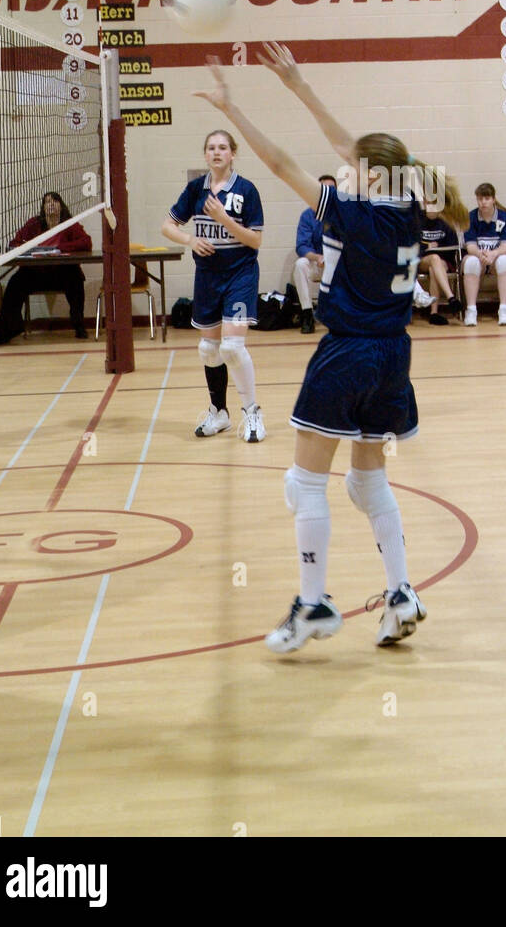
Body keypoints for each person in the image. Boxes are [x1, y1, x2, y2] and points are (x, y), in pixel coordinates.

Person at [196, 43, 468, 653]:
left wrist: (237, 113)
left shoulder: (354, 213)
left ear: (369, 173)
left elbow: (283, 159)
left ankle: (314, 604)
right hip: (395, 356)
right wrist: (296, 83)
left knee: (305, 484)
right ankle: (401, 593)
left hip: (348, 352)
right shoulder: (406, 208)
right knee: (367, 485)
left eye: (352, 165)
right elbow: (353, 148)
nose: (341, 165)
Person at [161, 130, 265, 443]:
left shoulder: (247, 190)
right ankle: (219, 412)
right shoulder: (195, 189)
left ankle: (252, 413)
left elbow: (255, 240)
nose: (217, 152)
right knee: (209, 349)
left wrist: (224, 218)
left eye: (223, 147)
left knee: (232, 347)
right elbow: (167, 226)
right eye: (211, 148)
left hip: (240, 275)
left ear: (233, 153)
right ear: (205, 154)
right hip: (207, 276)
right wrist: (190, 239)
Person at [0, 192, 91, 343]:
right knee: (15, 283)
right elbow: (15, 243)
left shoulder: (69, 223)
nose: (51, 204)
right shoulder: (34, 223)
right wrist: (31, 248)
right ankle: (8, 330)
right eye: (47, 202)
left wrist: (60, 247)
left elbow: (86, 242)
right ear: (43, 207)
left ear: (61, 205)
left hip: (62, 274)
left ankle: (79, 326)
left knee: (76, 278)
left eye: (55, 201)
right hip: (37, 274)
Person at [462, 183, 506, 326]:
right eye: (480, 199)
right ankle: (471, 310)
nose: (483, 202)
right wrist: (481, 254)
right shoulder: (471, 217)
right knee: (471, 262)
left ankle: (504, 310)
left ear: (493, 199)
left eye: (486, 198)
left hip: (495, 259)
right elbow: (470, 246)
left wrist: (493, 254)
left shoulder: (504, 217)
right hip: (478, 257)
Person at [293, 174, 336, 334]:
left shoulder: (344, 214)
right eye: (324, 189)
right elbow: (302, 246)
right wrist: (317, 257)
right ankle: (307, 314)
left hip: (338, 263)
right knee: (300, 264)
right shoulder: (307, 215)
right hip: (318, 263)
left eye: (331, 189)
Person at [417, 202, 462, 325]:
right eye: (429, 204)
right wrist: (427, 245)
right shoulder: (417, 219)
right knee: (434, 259)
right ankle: (450, 297)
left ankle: (434, 313)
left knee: (435, 266)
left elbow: (453, 247)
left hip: (442, 262)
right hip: (421, 260)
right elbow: (410, 242)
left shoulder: (446, 222)